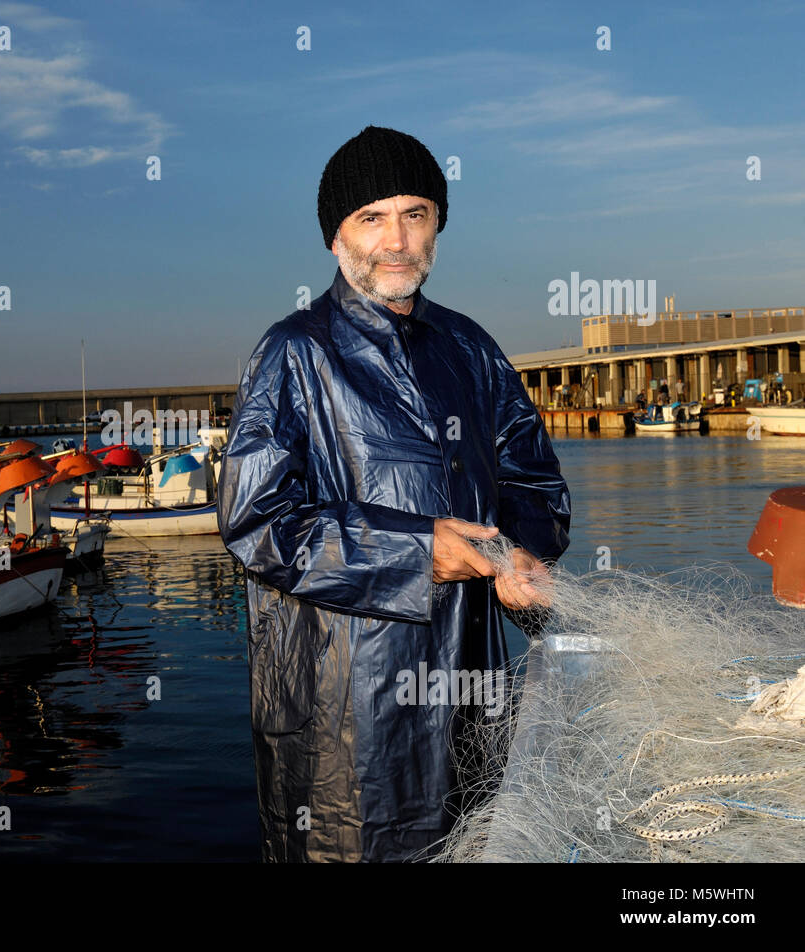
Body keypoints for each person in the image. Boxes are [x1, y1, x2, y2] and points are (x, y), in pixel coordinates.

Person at [218, 124, 572, 862]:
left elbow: (532, 478)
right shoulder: (296, 351)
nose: (397, 240)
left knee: (473, 842)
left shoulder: (471, 347)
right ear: (336, 237)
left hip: (470, 688)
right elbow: (258, 523)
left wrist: (524, 550)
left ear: (438, 224)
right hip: (344, 710)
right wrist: (417, 551)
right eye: (371, 217)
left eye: (416, 213)